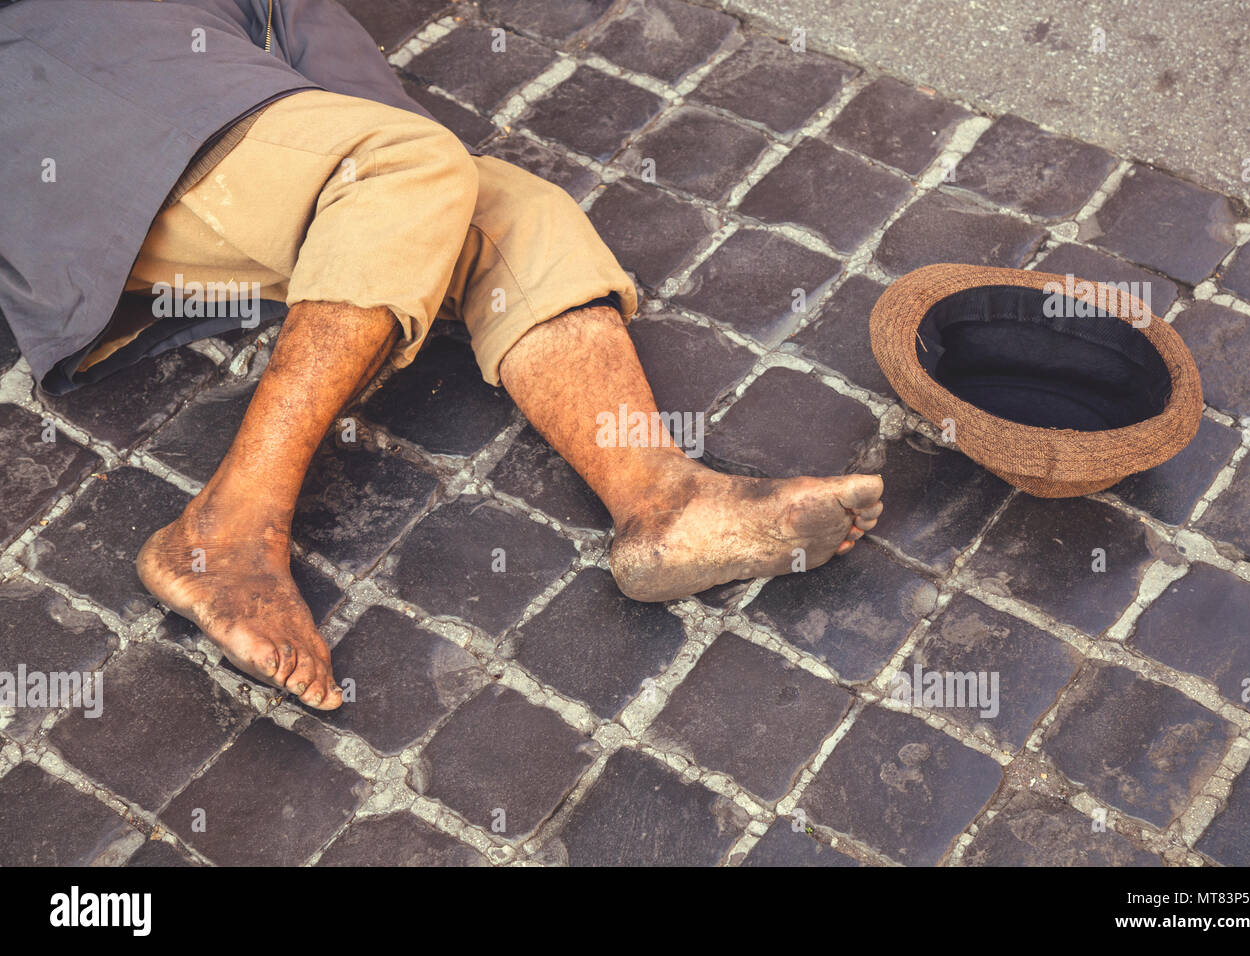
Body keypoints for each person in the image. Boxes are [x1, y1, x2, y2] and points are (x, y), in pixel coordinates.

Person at [1, 0, 883, 710]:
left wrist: (401, 213)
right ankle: (225, 528)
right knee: (406, 166)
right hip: (65, 83)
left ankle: (663, 501)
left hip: (228, 118)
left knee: (506, 204)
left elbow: (396, 153)